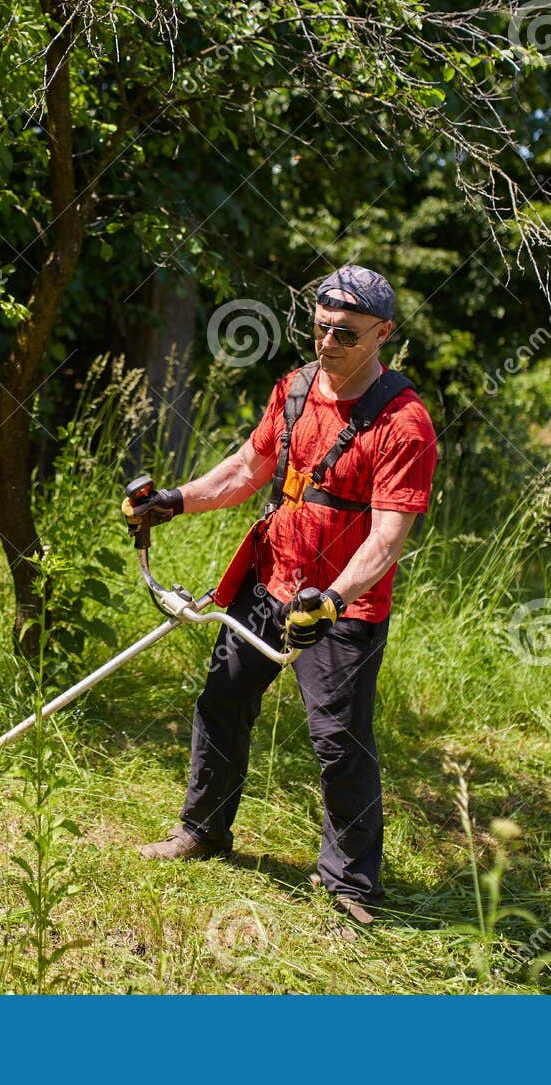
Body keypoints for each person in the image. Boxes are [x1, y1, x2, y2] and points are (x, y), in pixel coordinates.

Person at [121, 265, 437, 927]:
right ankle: (202, 831)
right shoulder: (293, 390)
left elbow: (386, 538)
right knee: (221, 701)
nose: (328, 340)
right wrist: (174, 502)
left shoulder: (404, 423)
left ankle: (351, 885)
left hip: (339, 607)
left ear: (383, 333)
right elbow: (245, 469)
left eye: (345, 332)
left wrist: (333, 598)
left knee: (339, 742)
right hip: (271, 578)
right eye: (320, 325)